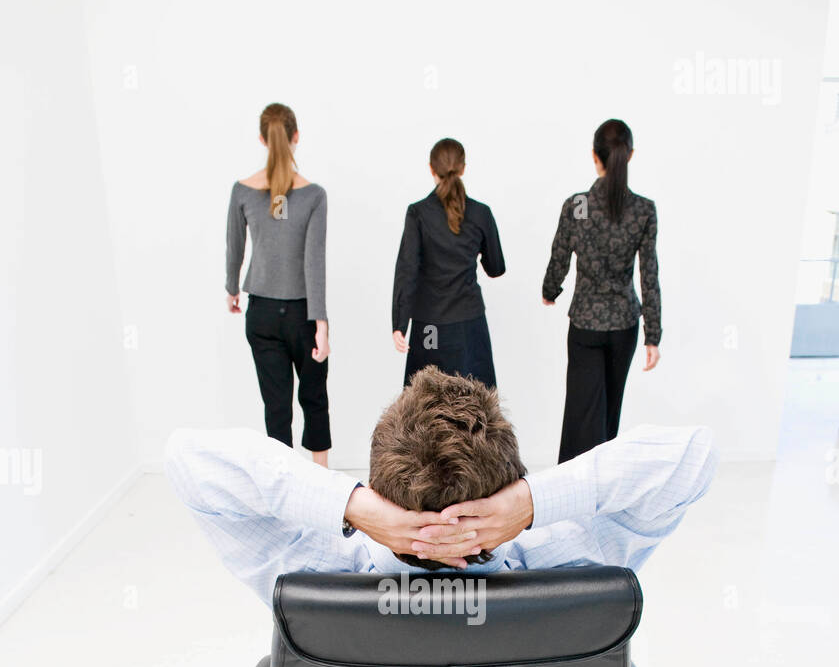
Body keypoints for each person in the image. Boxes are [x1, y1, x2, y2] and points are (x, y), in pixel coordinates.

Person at [165, 367, 715, 606]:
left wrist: (352, 507)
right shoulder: (575, 567)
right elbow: (693, 456)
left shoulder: (312, 575)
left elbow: (188, 460)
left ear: (380, 488)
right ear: (507, 484)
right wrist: (531, 506)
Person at [543, 119, 661, 463]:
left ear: (595, 156)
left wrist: (551, 290)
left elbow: (559, 256)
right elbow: (649, 275)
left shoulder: (577, 205)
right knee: (610, 413)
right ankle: (605, 484)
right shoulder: (644, 210)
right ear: (630, 155)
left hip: (585, 323)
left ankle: (571, 487)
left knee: (580, 413)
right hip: (624, 324)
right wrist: (652, 335)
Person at [226, 102, 331, 466]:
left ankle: (285, 491)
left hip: (263, 314)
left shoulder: (242, 190)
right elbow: (313, 262)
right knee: (314, 398)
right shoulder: (314, 195)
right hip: (303, 313)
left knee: (276, 407)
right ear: (296, 137)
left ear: (262, 139)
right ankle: (323, 487)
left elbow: (234, 247)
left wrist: (232, 289)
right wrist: (321, 323)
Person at [392, 139, 505, 388]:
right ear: (463, 168)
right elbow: (496, 268)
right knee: (475, 405)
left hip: (429, 326)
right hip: (468, 324)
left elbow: (407, 270)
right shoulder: (481, 213)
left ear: (431, 170)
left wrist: (400, 324)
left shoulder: (418, 213)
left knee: (425, 406)